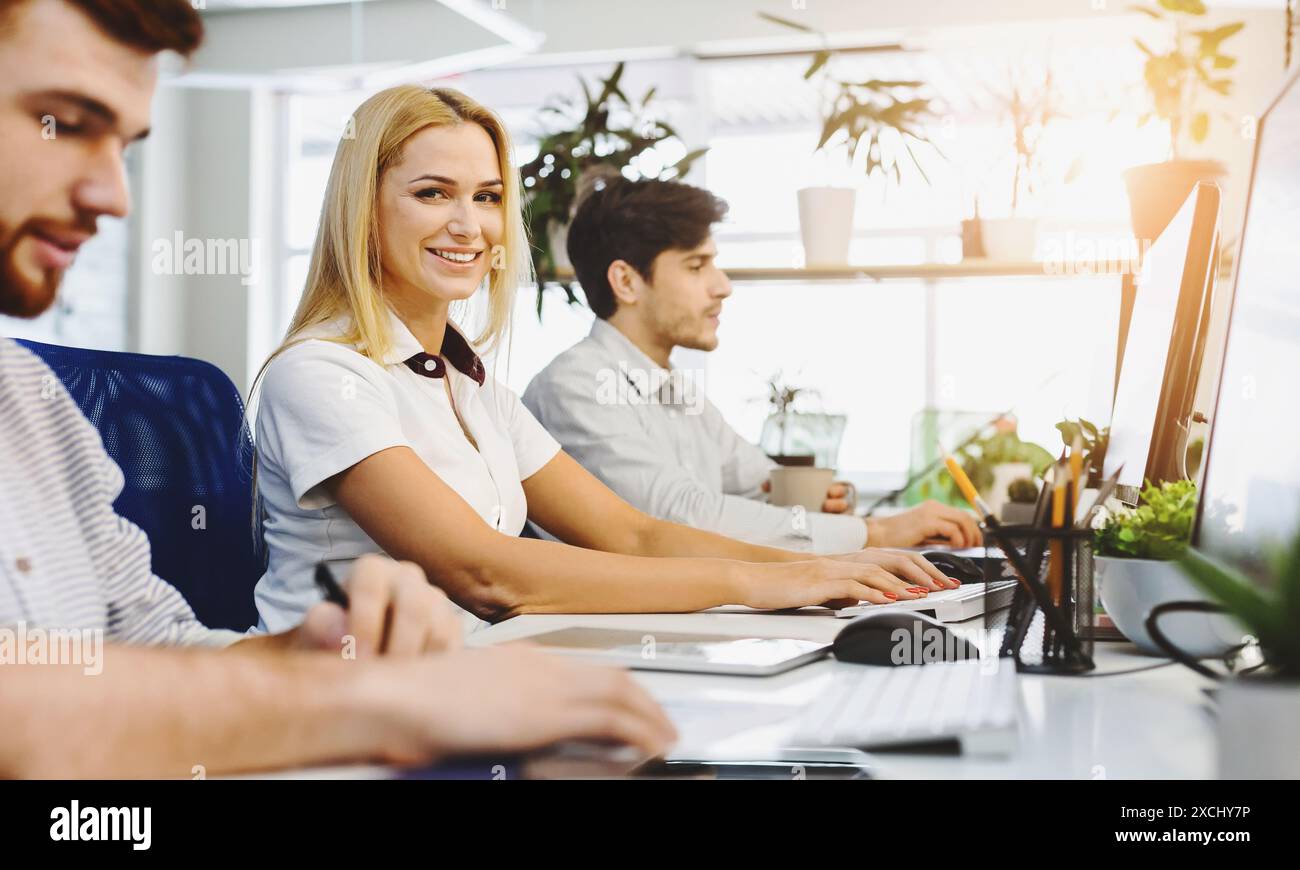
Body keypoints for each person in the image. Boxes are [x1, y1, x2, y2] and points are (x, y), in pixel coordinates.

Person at [0, 0, 674, 777]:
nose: (116, 196)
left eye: (123, 144)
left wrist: (317, 657)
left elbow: (158, 645)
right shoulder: (320, 373)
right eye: (64, 121)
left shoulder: (35, 406)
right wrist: (372, 704)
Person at [250, 85, 955, 636]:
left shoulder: (473, 385)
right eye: (432, 193)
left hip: (477, 678)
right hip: (350, 705)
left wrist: (827, 567)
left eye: (488, 198)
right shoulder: (319, 375)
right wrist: (761, 583)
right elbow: (486, 572)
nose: (468, 224)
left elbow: (630, 532)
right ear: (363, 209)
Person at [522, 177, 984, 554]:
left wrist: (819, 501)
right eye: (697, 266)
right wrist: (877, 534)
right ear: (626, 281)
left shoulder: (673, 389)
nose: (723, 286)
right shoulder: (576, 386)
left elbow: (758, 482)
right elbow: (682, 517)